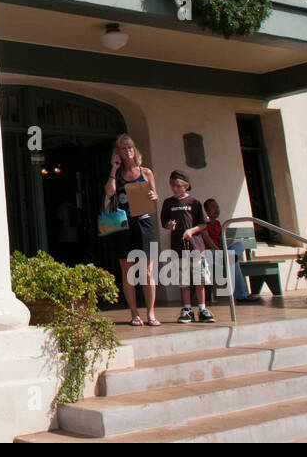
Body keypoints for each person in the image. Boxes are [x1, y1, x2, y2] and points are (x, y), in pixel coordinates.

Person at [103, 134, 161, 326]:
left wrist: (153, 196)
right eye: (123, 148)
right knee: (128, 272)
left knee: (146, 271)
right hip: (122, 224)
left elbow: (155, 196)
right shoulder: (117, 175)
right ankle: (134, 313)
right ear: (117, 152)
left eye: (130, 147)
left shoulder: (146, 172)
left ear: (134, 150)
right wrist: (114, 168)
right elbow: (110, 193)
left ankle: (151, 313)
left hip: (143, 223)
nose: (127, 151)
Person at [161, 171, 214, 323]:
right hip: (179, 247)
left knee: (200, 278)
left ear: (186, 186)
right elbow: (164, 221)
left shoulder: (194, 202)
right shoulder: (168, 203)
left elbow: (203, 224)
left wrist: (192, 230)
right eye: (173, 186)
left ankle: (202, 308)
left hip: (195, 246)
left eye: (178, 186)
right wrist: (169, 225)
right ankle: (187, 308)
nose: (175, 189)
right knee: (184, 279)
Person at [203, 199, 261, 303]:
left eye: (217, 207)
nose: (216, 209)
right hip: (209, 254)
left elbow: (221, 240)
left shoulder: (217, 223)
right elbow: (208, 240)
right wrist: (220, 252)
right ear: (206, 210)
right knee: (232, 260)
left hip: (222, 254)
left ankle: (229, 256)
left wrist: (224, 250)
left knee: (239, 245)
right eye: (213, 207)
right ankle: (242, 295)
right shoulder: (203, 224)